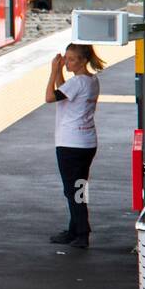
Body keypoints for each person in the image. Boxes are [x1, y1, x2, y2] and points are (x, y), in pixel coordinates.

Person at [45, 43, 105, 248]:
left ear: (83, 60)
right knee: (79, 187)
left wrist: (54, 71)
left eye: (71, 60)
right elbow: (64, 92)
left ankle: (82, 233)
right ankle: (75, 229)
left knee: (72, 190)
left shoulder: (77, 82)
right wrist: (61, 72)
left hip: (70, 144)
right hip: (86, 143)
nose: (67, 62)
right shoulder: (91, 80)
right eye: (66, 59)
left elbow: (50, 97)